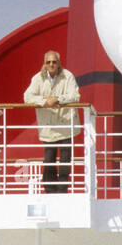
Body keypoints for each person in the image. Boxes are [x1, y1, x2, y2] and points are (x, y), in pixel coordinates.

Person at [23, 51, 80, 193]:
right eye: (48, 62)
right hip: (48, 126)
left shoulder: (68, 76)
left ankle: (61, 191)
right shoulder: (38, 78)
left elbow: (75, 95)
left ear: (58, 63)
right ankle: (49, 190)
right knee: (49, 159)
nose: (51, 64)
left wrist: (58, 99)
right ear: (45, 63)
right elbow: (27, 96)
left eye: (54, 62)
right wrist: (44, 102)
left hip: (66, 123)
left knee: (65, 160)